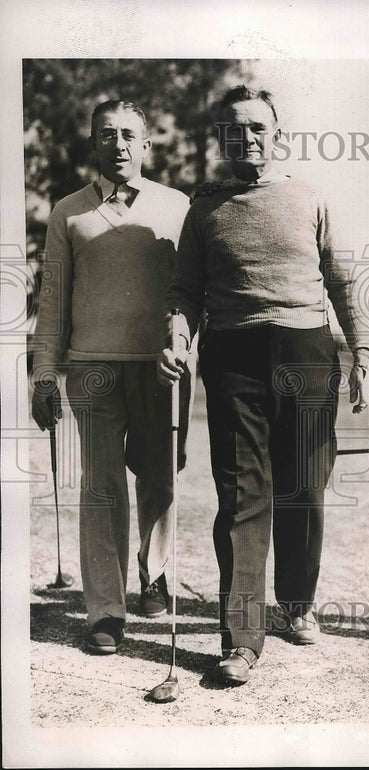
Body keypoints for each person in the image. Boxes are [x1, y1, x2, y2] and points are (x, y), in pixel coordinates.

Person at [158, 85, 369, 685]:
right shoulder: (204, 208)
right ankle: (241, 638)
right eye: (234, 128)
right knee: (241, 497)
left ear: (278, 135)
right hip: (233, 355)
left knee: (304, 487)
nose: (246, 137)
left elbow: (341, 280)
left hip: (307, 351)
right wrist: (178, 338)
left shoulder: (309, 197)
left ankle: (298, 604)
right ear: (221, 139)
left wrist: (362, 353)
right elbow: (184, 290)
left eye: (257, 127)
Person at [31, 99, 191, 654]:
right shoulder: (67, 212)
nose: (118, 144)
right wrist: (44, 373)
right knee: (101, 486)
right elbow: (53, 299)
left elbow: (189, 294)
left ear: (146, 145)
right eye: (106, 134)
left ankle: (155, 571)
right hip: (91, 367)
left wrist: (181, 345)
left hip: (160, 367)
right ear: (93, 143)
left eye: (128, 134)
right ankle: (105, 610)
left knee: (160, 477)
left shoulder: (178, 206)